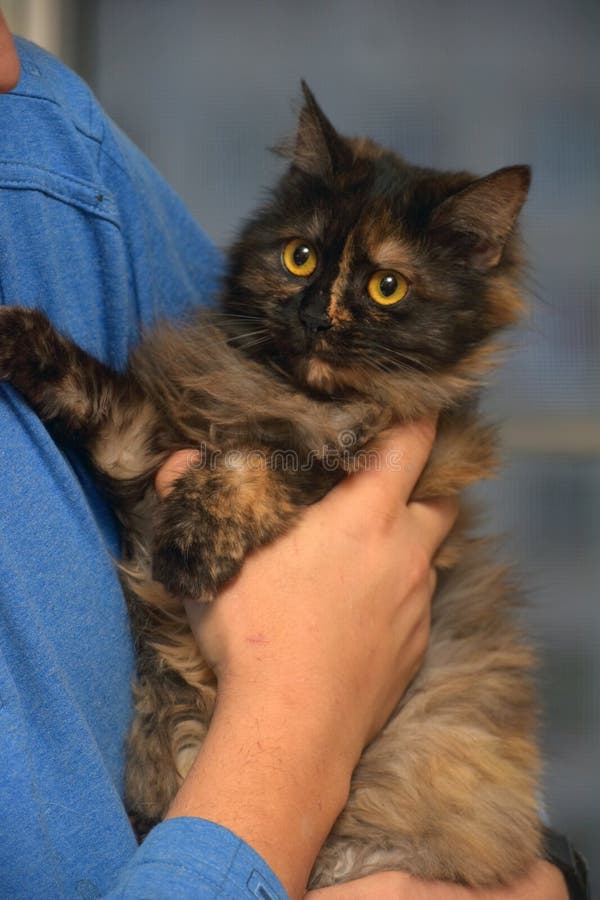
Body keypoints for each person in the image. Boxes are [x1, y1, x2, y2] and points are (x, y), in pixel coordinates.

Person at [0, 20, 572, 900]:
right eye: (301, 259)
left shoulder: (51, 149)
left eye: (385, 288)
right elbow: (164, 483)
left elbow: (175, 481)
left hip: (395, 825)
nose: (325, 312)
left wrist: (552, 876)